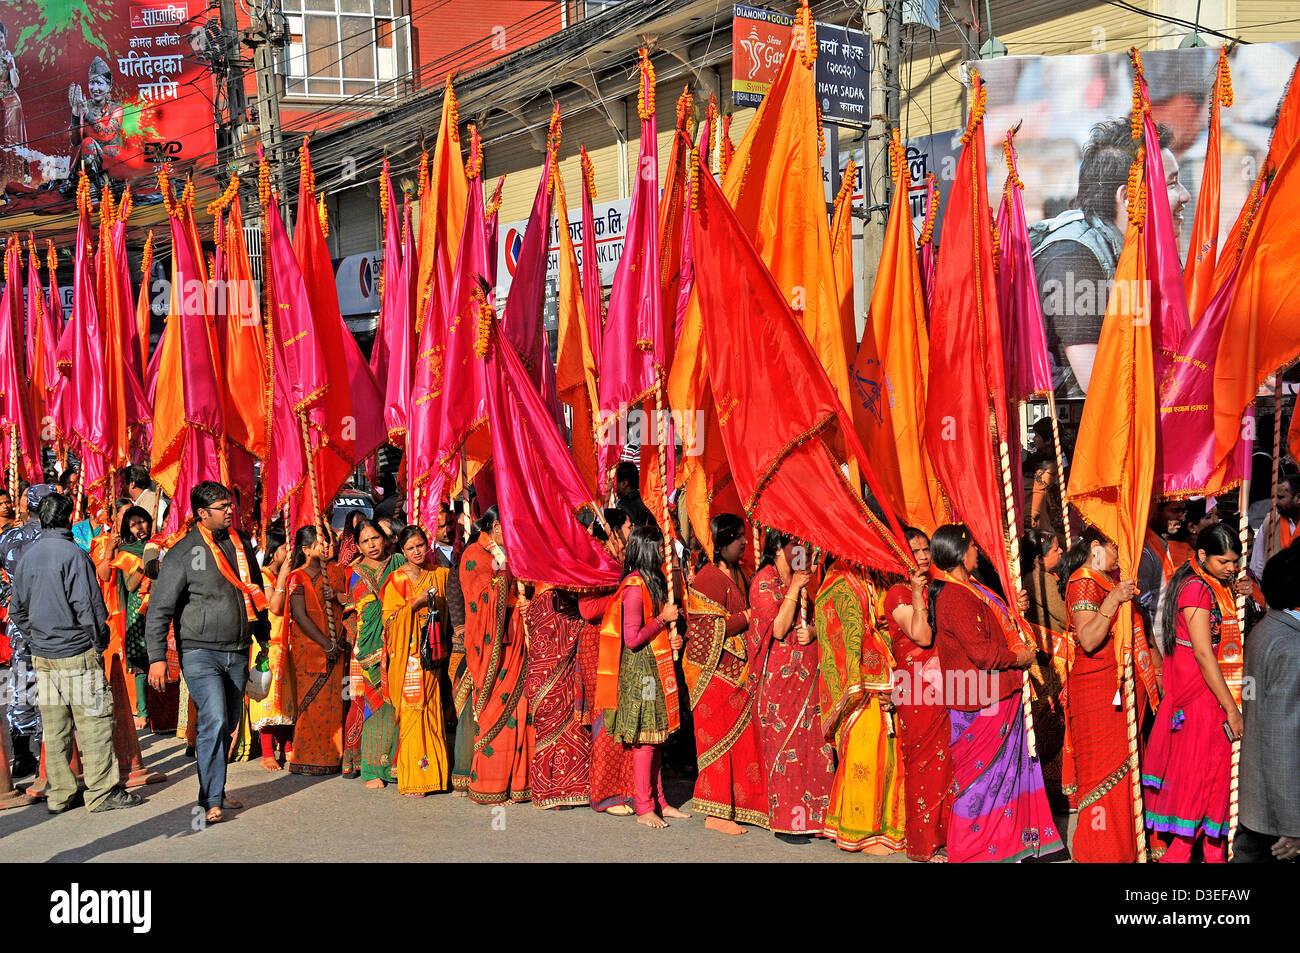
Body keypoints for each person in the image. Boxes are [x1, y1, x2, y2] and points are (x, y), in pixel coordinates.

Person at [928, 523, 1063, 862]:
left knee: (999, 779)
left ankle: (1005, 844)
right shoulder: (957, 595)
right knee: (979, 783)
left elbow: (991, 627)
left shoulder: (971, 587)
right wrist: (1026, 658)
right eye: (973, 546)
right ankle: (970, 850)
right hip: (981, 699)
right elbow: (985, 654)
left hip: (993, 694)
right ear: (960, 552)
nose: (977, 552)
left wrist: (1010, 606)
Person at [1031, 118, 1189, 396]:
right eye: (1172, 184)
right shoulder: (1073, 259)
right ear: (1128, 197)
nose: (1185, 196)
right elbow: (1099, 385)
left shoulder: (1148, 251)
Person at [145, 481, 270, 824]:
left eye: (230, 504)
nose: (230, 510)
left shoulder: (241, 543)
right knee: (213, 720)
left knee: (228, 722)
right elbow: (159, 608)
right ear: (202, 513)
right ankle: (210, 798)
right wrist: (156, 657)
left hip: (240, 650)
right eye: (222, 506)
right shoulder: (184, 552)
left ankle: (217, 786)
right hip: (200, 652)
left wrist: (264, 637)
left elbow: (253, 590)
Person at [10, 493, 142, 813]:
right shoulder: (73, 554)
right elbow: (90, 610)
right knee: (93, 723)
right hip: (75, 652)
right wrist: (98, 643)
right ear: (69, 519)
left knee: (55, 730)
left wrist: (36, 640)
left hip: (44, 655)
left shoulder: (29, 556)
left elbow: (17, 611)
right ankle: (101, 793)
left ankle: (60, 794)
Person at [1143, 523, 1253, 863]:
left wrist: (1238, 587)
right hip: (1202, 701)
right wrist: (1232, 710)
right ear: (1202, 556)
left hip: (1206, 698)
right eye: (1224, 562)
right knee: (1201, 781)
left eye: (1235, 561)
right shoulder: (1196, 590)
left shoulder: (1207, 582)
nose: (1231, 568)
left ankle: (1213, 852)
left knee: (1213, 780)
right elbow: (1205, 654)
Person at [1058, 526, 1151, 863]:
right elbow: (1089, 639)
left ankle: (1123, 851)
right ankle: (1100, 853)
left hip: (1117, 691)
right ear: (1096, 548)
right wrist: (1113, 600)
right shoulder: (1085, 581)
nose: (1118, 556)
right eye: (1114, 548)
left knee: (1125, 776)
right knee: (1104, 779)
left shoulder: (1108, 580)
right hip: (1098, 695)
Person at [598, 523, 688, 829]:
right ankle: (645, 806)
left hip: (657, 666)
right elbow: (633, 638)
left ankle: (661, 802)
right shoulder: (635, 588)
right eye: (660, 547)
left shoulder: (653, 582)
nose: (665, 553)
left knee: (658, 738)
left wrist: (672, 637)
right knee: (646, 740)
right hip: (641, 674)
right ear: (648, 551)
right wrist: (663, 619)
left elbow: (655, 630)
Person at [683, 513, 766, 834]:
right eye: (736, 538)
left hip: (742, 674)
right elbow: (705, 629)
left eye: (744, 536)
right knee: (717, 745)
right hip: (713, 677)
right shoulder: (706, 578)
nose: (743, 542)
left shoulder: (744, 574)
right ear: (720, 544)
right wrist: (747, 615)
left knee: (745, 743)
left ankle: (744, 805)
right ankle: (715, 814)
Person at [814, 559, 905, 854]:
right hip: (859, 682)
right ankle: (861, 830)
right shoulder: (839, 579)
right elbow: (840, 631)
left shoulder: (880, 572)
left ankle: (888, 827)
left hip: (886, 672)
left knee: (890, 755)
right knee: (864, 755)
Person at [749, 530, 834, 843]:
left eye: (805, 546)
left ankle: (817, 818)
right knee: (786, 747)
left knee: (815, 744)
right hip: (781, 682)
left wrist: (812, 631)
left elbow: (812, 622)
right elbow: (780, 627)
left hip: (809, 677)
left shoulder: (804, 579)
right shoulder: (764, 581)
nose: (802, 551)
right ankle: (787, 820)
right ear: (778, 548)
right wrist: (795, 588)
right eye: (795, 546)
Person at [884, 527, 952, 862]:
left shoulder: (938, 588)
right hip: (915, 691)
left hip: (946, 684)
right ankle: (924, 846)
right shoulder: (897, 594)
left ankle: (949, 836)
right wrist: (915, 591)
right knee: (924, 764)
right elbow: (922, 637)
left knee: (948, 761)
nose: (924, 556)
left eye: (927, 549)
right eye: (916, 551)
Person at [458, 506, 533, 804]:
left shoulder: (510, 551)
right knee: (495, 714)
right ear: (496, 526)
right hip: (493, 648)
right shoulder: (475, 555)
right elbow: (480, 599)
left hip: (516, 642)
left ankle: (518, 784)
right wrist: (509, 586)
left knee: (521, 708)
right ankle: (489, 785)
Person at [1233, 546, 1300, 863]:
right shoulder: (1293, 646)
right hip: (1282, 819)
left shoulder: (1265, 631)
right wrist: (1293, 823)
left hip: (1257, 801)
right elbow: (1283, 739)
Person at [380, 525, 450, 796]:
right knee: (413, 712)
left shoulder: (440, 575)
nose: (417, 551)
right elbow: (390, 622)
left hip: (433, 654)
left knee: (432, 712)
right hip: (410, 659)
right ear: (402, 551)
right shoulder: (397, 579)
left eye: (420, 545)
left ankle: (435, 776)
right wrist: (416, 604)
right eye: (410, 548)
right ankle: (414, 779)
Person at [0, 483, 60, 767]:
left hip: (20, 622)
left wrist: (7, 594)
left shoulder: (8, 538)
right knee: (56, 684)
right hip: (54, 621)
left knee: (22, 682)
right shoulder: (58, 538)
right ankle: (51, 751)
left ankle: (22, 752)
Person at [523, 584, 595, 809]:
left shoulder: (546, 598)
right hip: (548, 677)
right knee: (553, 729)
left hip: (551, 677)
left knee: (569, 729)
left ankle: (566, 790)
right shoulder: (549, 600)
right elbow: (571, 628)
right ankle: (551, 791)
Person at [283, 525, 347, 776]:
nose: (328, 546)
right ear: (306, 549)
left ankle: (333, 756)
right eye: (322, 543)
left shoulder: (338, 571)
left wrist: (337, 595)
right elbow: (299, 615)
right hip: (309, 646)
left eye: (330, 541)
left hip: (337, 644)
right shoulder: (296, 577)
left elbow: (350, 599)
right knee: (310, 704)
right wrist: (325, 643)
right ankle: (307, 758)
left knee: (334, 702)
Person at [340, 518, 398, 783]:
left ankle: (396, 764)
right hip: (370, 649)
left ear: (384, 539)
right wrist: (362, 643)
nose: (371, 544)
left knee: (399, 704)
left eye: (375, 538)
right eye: (365, 541)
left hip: (401, 642)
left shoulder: (398, 563)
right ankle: (373, 769)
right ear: (359, 547)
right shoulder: (357, 572)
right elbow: (351, 613)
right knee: (373, 707)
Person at [95, 505, 155, 729]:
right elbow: (129, 586)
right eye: (134, 524)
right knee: (140, 661)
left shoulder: (160, 543)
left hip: (161, 606)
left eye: (143, 521)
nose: (140, 527)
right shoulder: (126, 551)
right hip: (137, 608)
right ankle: (143, 711)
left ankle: (162, 711)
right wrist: (144, 567)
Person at [250, 523, 295, 770]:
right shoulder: (264, 575)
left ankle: (286, 746)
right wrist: (284, 575)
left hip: (287, 642)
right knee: (266, 698)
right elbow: (274, 607)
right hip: (268, 643)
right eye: (285, 550)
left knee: (286, 698)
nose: (289, 554)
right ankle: (267, 752)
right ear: (272, 552)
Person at [1137, 499, 1190, 646]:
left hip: (1168, 636)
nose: (1182, 518)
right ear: (1154, 510)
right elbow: (1142, 605)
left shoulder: (1163, 545)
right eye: (1175, 511)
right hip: (1153, 640)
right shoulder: (1145, 552)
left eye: (1183, 512)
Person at [67, 56, 124, 192]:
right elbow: (75, 141)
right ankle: (92, 186)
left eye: (99, 83)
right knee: (86, 143)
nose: (95, 88)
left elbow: (107, 135)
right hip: (88, 163)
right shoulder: (84, 105)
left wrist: (87, 114)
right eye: (92, 83)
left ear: (109, 86)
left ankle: (96, 186)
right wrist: (75, 112)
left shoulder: (116, 109)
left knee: (88, 142)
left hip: (111, 162)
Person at [1250, 474, 1300, 580]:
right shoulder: (1270, 522)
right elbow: (1258, 567)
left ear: (1298, 498)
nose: (1275, 502)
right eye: (1274, 496)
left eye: (1281, 497)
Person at [1022, 529, 1066, 635]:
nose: (1061, 551)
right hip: (1052, 646)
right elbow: (1066, 617)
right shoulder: (1040, 579)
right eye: (1055, 550)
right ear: (1040, 559)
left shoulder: (1038, 576)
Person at [0, 21, 27, 196]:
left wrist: (10, 64)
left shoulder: (9, 56)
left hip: (11, 105)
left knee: (11, 143)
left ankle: (12, 185)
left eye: (0, 37)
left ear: (4, 38)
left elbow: (15, 83)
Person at [122, 465, 168, 529]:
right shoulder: (131, 504)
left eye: (123, 482)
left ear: (132, 484)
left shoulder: (157, 501)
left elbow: (162, 529)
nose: (121, 486)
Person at [613, 461, 655, 528]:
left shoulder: (624, 508)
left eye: (615, 482)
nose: (613, 486)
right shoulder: (644, 500)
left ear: (624, 483)